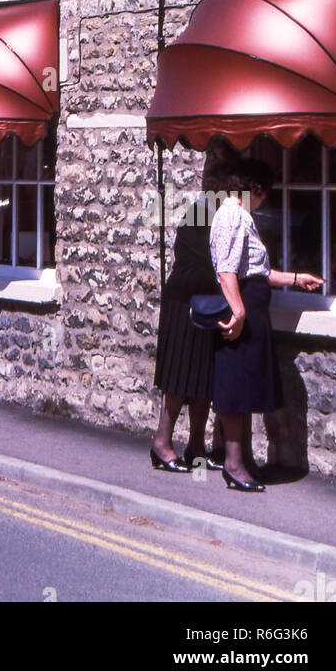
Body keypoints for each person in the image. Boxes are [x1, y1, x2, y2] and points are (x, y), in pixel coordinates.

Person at [210, 158, 324, 492]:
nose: (264, 201)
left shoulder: (240, 215)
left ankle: (243, 461)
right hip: (244, 308)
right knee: (236, 388)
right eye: (264, 194)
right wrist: (239, 312)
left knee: (245, 388)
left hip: (251, 306)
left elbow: (257, 270)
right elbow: (227, 271)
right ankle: (233, 464)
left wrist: (295, 278)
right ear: (255, 190)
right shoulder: (233, 214)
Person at [151, 162, 226, 473]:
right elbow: (205, 261)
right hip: (185, 302)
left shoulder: (218, 214)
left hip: (206, 302)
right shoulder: (200, 211)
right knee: (178, 378)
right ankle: (162, 443)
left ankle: (196, 446)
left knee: (202, 379)